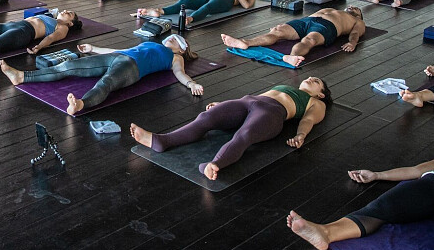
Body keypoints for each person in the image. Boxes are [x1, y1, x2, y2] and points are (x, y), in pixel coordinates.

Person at [287, 139, 434, 250]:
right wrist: (376, 175)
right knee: (379, 208)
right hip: (432, 185)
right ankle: (325, 233)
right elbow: (416, 170)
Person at [130, 78, 330, 181]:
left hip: (273, 113)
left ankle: (215, 164)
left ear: (320, 94)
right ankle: (162, 141)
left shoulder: (315, 103)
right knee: (206, 118)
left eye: (316, 82)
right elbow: (260, 95)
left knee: (245, 135)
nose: (311, 78)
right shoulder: (286, 86)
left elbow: (309, 120)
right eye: (311, 76)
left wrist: (301, 135)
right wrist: (223, 104)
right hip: (247, 102)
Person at [0, 35, 203, 115]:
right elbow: (121, 50)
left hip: (132, 69)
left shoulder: (177, 58)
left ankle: (80, 104)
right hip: (118, 56)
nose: (170, 40)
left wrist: (191, 84)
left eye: (175, 40)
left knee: (106, 83)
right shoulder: (151, 43)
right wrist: (93, 48)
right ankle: (22, 77)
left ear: (182, 49)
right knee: (69, 65)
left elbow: (179, 74)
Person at [222, 6, 365, 67]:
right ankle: (245, 42)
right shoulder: (333, 9)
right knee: (278, 31)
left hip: (329, 26)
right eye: (351, 6)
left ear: (359, 14)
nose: (352, 7)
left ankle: (292, 56)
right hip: (307, 21)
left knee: (309, 40)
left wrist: (352, 43)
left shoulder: (357, 21)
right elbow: (308, 18)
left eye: (356, 8)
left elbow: (355, 33)